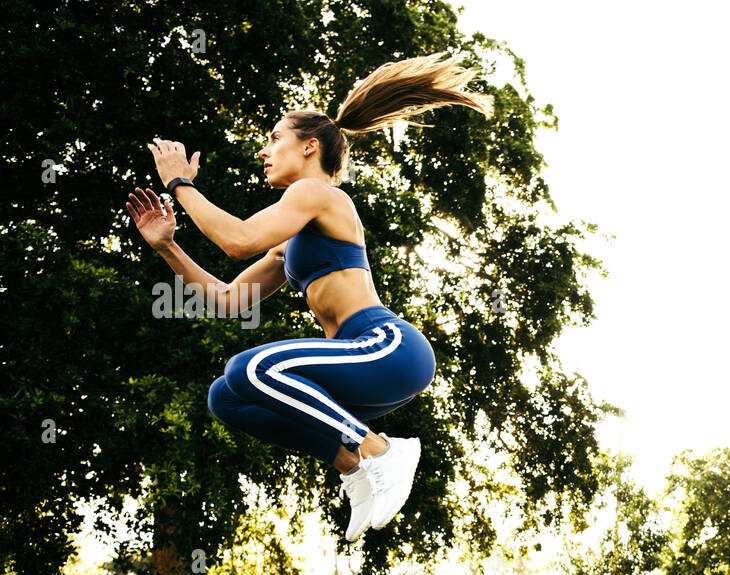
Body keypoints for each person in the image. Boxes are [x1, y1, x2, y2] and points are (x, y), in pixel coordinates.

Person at [126, 52, 494, 541]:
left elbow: (236, 240)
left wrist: (180, 184)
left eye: (275, 138)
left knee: (252, 369)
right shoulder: (293, 238)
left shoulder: (318, 194)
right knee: (226, 397)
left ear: (309, 147)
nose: (264, 150)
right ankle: (354, 468)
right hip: (364, 369)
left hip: (386, 347)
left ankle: (383, 451)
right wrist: (168, 246)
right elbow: (230, 301)